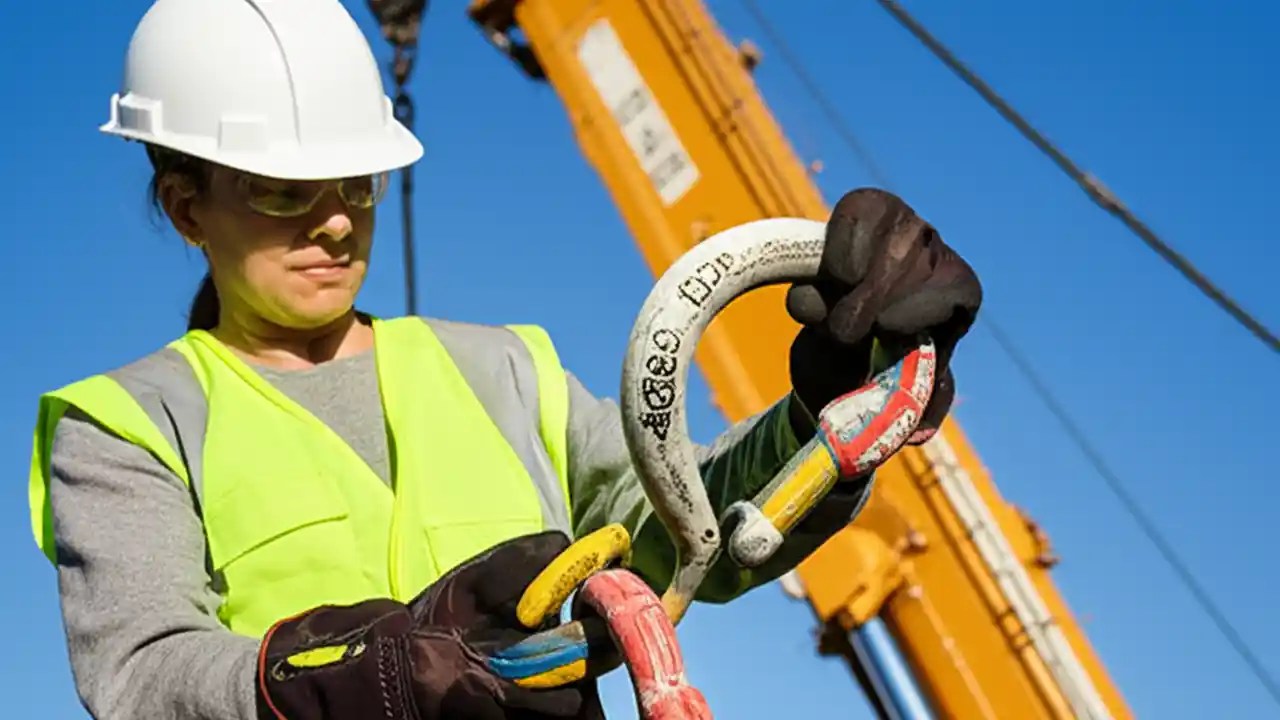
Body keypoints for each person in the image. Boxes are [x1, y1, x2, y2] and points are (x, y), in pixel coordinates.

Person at [25, 1, 983, 719]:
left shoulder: (504, 369)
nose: (334, 222)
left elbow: (689, 532)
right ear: (187, 207)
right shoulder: (127, 424)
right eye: (283, 191)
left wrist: (833, 402)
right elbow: (144, 674)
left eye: (355, 183)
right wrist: (365, 675)